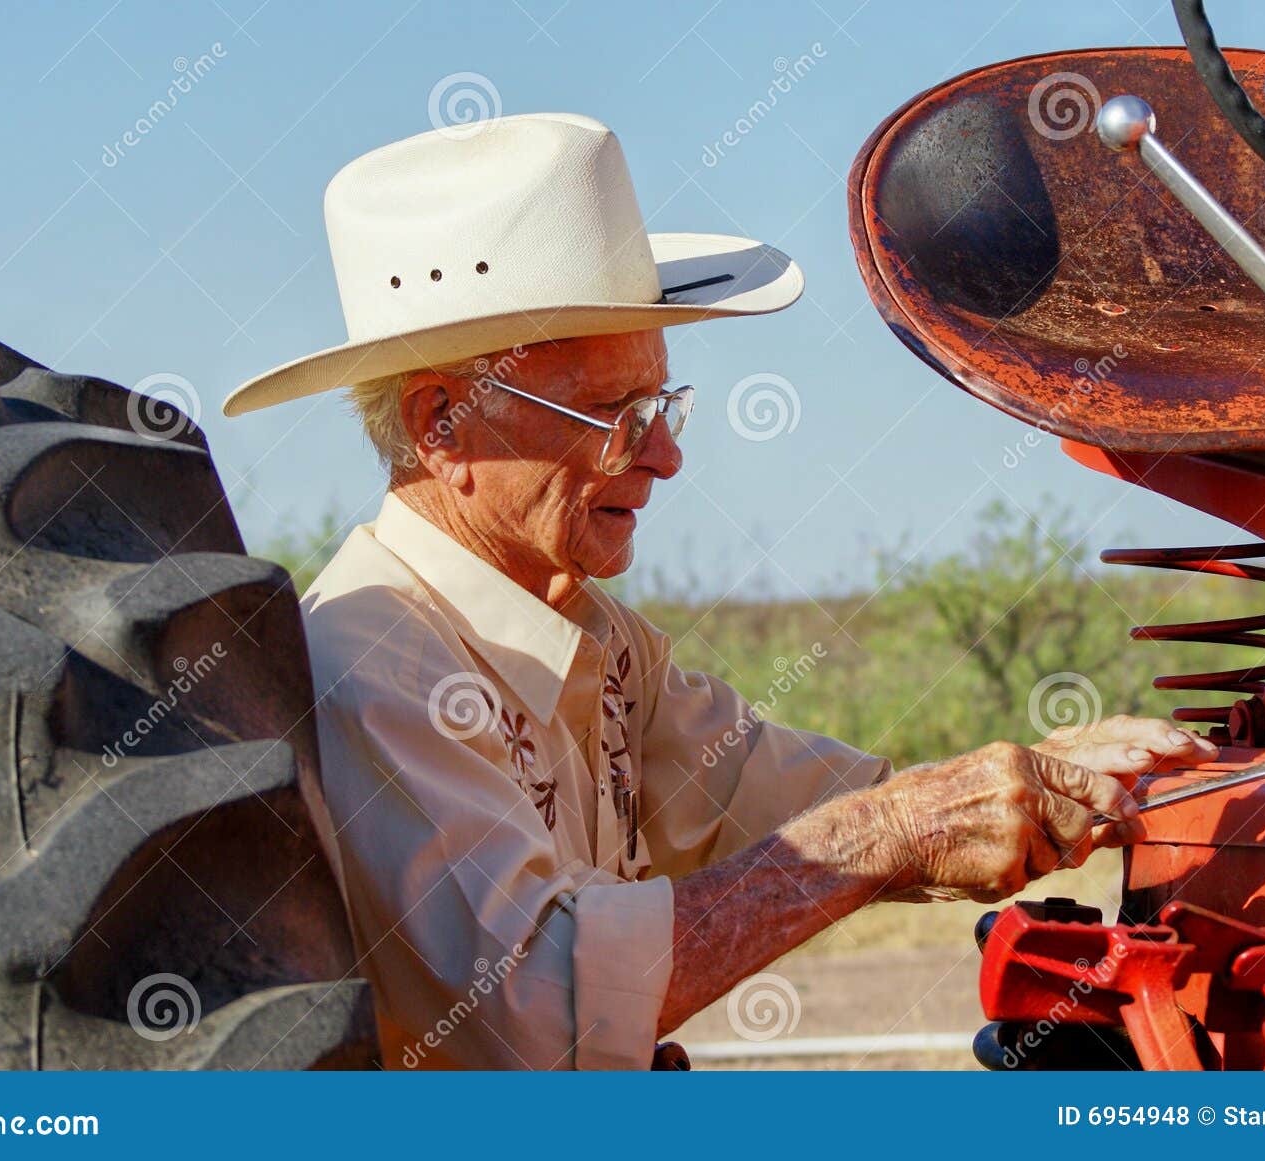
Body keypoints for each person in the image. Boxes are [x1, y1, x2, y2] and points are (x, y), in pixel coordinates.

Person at [223, 112, 1213, 1069]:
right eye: (613, 413)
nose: (663, 457)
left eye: (660, 404)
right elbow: (535, 1013)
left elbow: (762, 794)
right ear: (442, 423)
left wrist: (1031, 774)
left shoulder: (591, 634)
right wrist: (898, 829)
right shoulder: (371, 666)